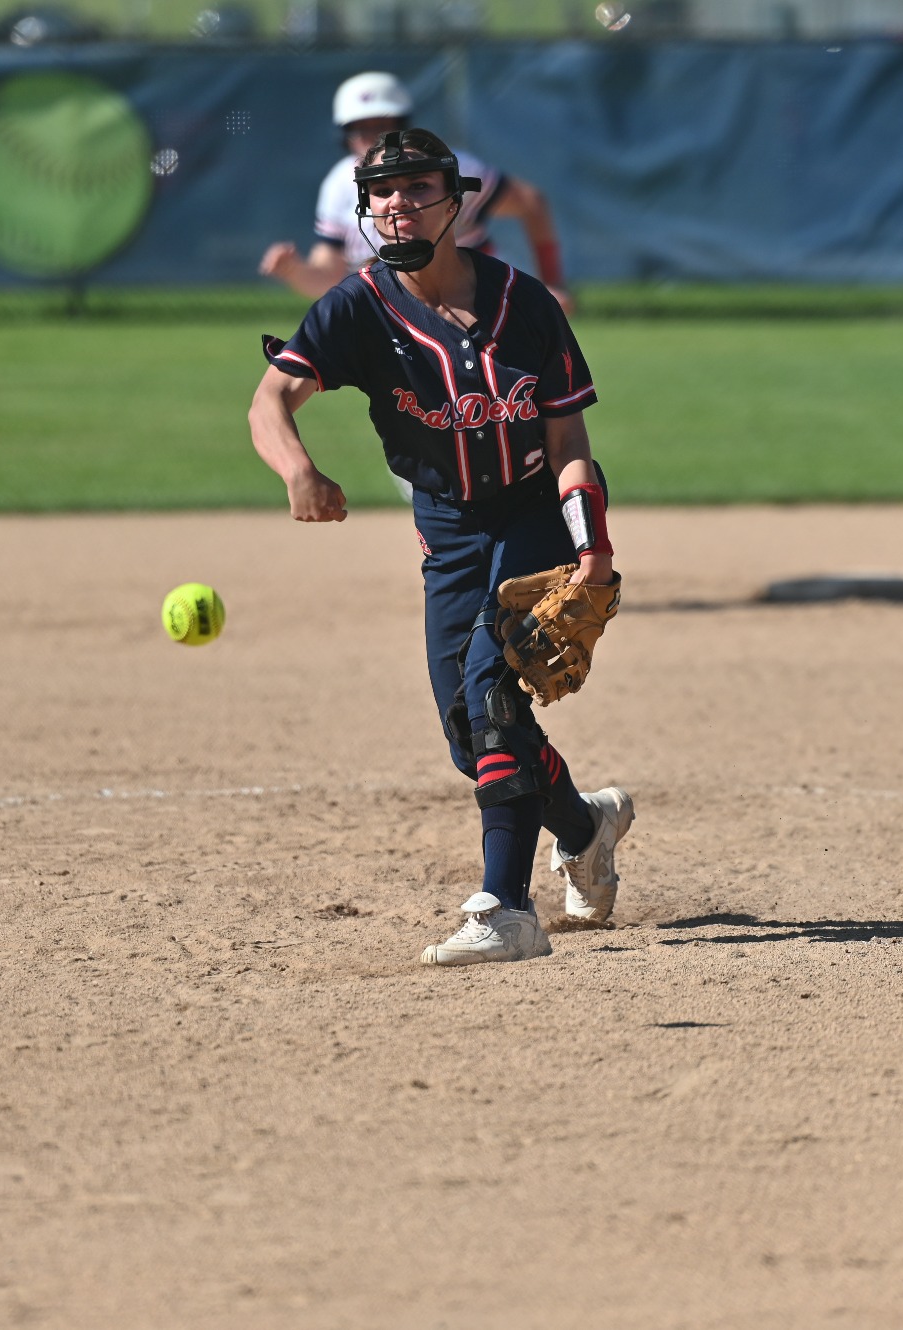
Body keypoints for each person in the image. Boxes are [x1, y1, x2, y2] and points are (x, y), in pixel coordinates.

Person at [248, 128, 632, 968]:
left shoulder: (523, 303)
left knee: (492, 691)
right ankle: (584, 826)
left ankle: (507, 910)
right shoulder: (357, 308)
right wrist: (299, 472)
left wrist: (592, 551)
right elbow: (269, 402)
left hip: (533, 511)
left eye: (419, 188)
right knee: (470, 732)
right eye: (383, 192)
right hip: (450, 529)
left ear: (456, 202)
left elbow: (568, 439)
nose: (399, 205)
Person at [259, 71, 574, 313]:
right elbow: (328, 275)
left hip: (479, 303)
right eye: (361, 128)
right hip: (394, 315)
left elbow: (531, 203)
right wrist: (294, 271)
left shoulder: (449, 168)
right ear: (346, 135)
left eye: (383, 126)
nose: (374, 138)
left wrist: (552, 282)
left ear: (403, 125)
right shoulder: (339, 184)